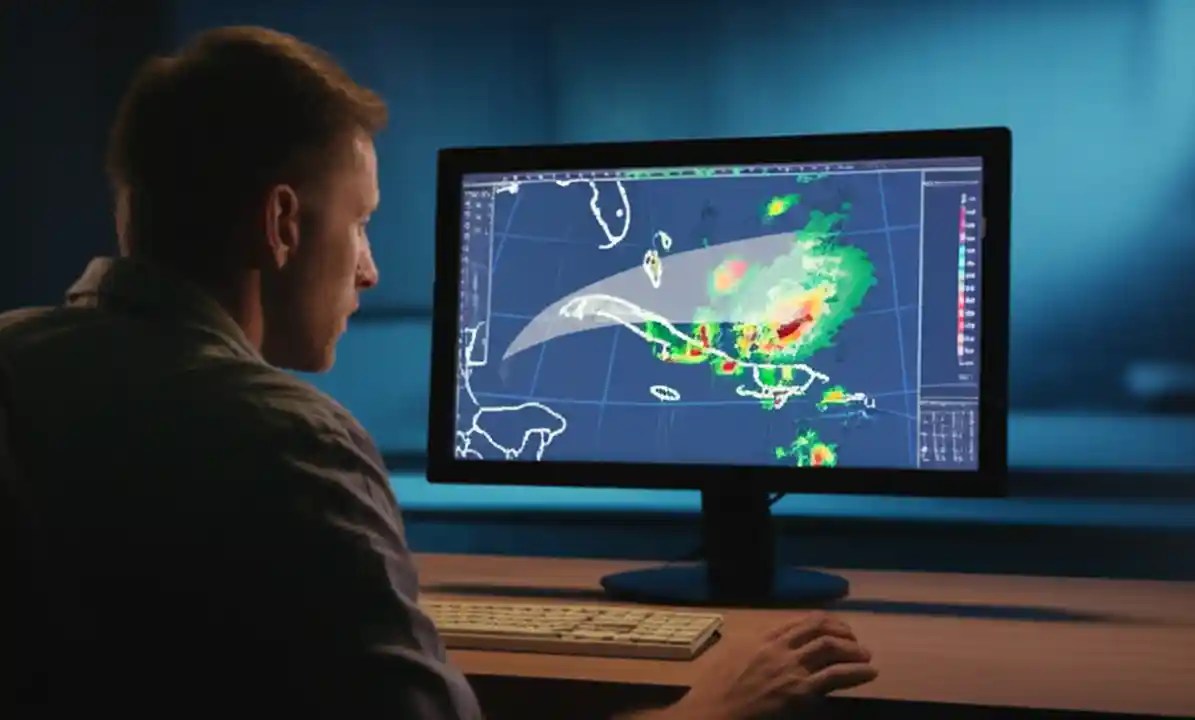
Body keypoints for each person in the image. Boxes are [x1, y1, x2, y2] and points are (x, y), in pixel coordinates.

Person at [0, 26, 878, 719]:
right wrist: (714, 707)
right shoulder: (290, 442)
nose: (371, 270)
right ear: (281, 226)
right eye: (362, 222)